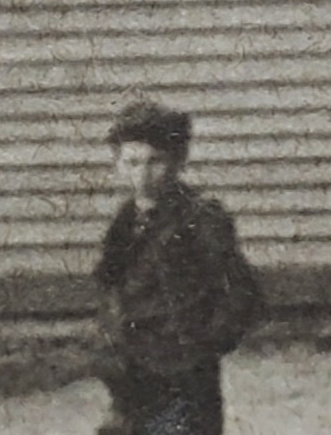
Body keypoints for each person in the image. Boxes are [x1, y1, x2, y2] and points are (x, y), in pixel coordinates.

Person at [94, 100, 262, 435]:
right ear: (118, 164)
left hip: (184, 375)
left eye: (155, 161)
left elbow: (241, 293)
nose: (143, 174)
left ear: (178, 160)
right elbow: (110, 287)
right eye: (132, 162)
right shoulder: (124, 224)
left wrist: (200, 345)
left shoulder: (199, 218)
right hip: (131, 373)